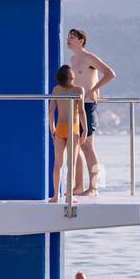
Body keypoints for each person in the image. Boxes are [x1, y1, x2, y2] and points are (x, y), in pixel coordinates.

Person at [66, 29, 116, 195]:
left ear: (81, 40)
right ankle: (78, 186)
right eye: (68, 37)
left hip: (88, 105)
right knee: (76, 146)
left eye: (72, 37)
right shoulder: (73, 60)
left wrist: (94, 89)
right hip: (75, 106)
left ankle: (93, 187)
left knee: (88, 146)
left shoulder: (90, 57)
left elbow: (110, 74)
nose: (68, 39)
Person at [48, 65, 88, 202]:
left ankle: (55, 195)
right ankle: (69, 196)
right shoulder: (78, 90)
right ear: (72, 77)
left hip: (59, 128)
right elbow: (82, 111)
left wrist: (51, 129)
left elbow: (51, 111)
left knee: (58, 164)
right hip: (73, 129)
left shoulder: (56, 90)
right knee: (71, 164)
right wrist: (85, 129)